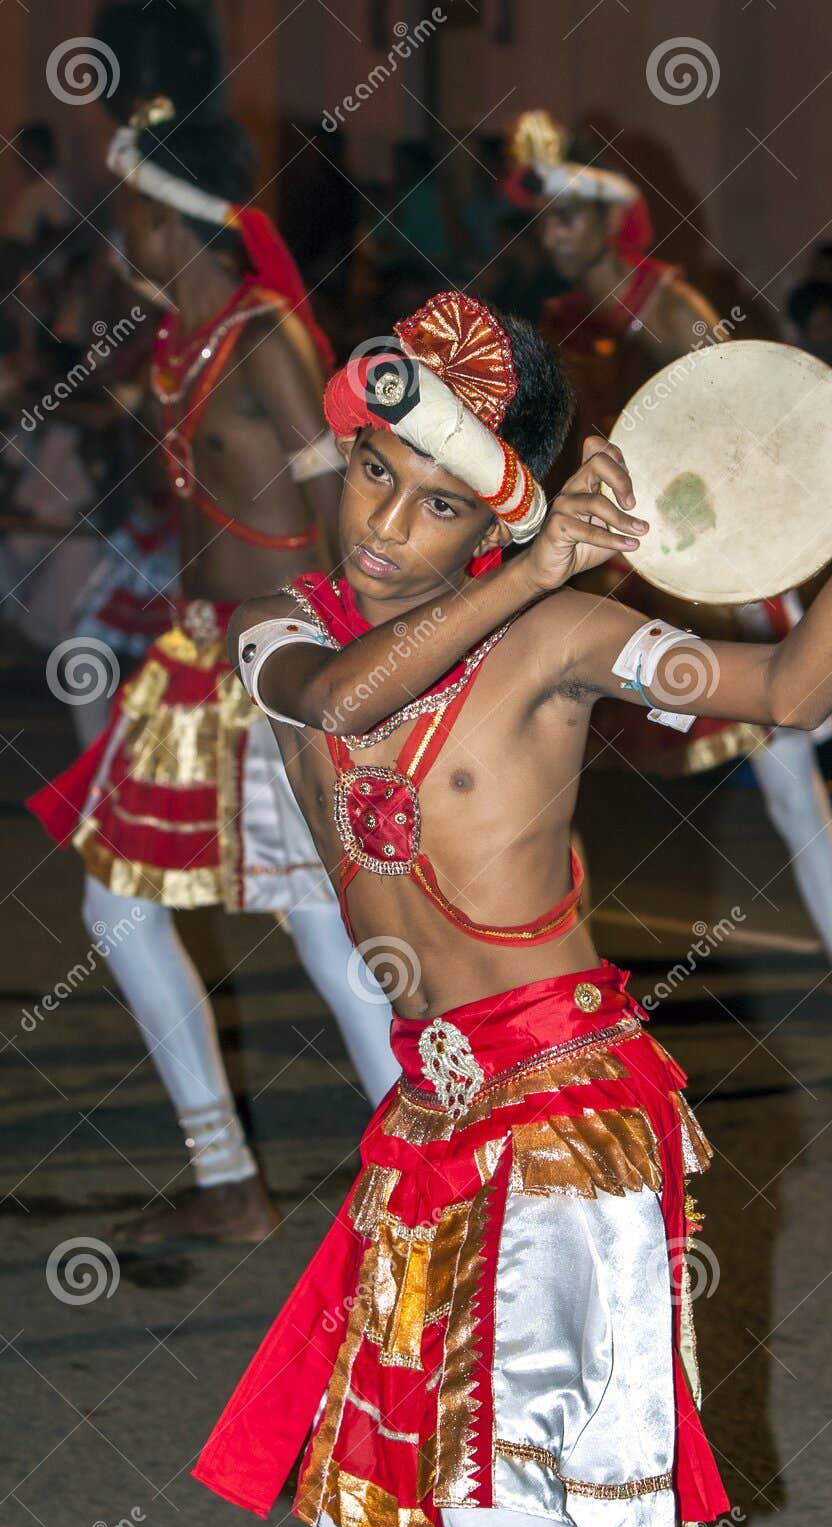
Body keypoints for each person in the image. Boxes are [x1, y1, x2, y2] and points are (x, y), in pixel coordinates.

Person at [189, 286, 832, 1527]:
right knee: (371, 1522)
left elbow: (785, 689)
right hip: (431, 1115)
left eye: (439, 501)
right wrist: (535, 559)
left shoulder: (555, 639)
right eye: (374, 471)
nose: (384, 521)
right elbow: (335, 697)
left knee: (491, 1497)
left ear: (497, 515)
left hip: (560, 1107)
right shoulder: (283, 621)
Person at [27, 98, 398, 1246]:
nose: (114, 225)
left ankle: (422, 1172)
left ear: (165, 215)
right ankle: (226, 1178)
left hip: (285, 652)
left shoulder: (261, 335)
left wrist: (362, 676)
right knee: (117, 901)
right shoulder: (183, 338)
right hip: (194, 657)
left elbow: (346, 497)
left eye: (127, 207)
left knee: (327, 933)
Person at [504, 111, 832, 1093]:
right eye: (542, 215)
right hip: (608, 575)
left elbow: (763, 426)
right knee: (542, 783)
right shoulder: (555, 322)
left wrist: (748, 549)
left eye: (565, 212)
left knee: (791, 793)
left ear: (610, 219)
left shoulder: (670, 305)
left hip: (722, 576)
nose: (548, 228)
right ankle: (552, 1026)